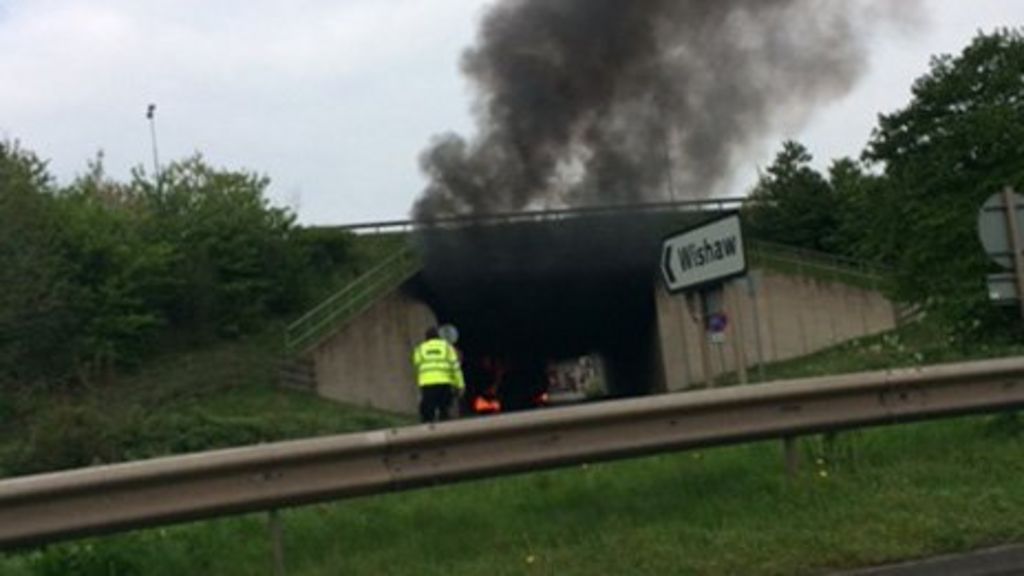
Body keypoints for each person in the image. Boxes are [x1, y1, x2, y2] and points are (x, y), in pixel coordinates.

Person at [412, 326, 465, 423]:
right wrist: (460, 385)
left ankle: (428, 433)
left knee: (428, 412)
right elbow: (455, 368)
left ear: (426, 337)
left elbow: (417, 365)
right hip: (444, 384)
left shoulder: (420, 349)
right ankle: (444, 431)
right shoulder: (447, 348)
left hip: (427, 384)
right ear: (439, 337)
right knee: (444, 410)